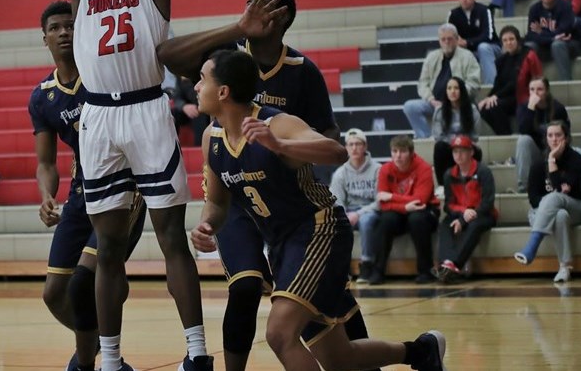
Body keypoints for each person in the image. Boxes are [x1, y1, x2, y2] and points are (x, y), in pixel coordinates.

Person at [30, 0, 211, 369]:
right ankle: (108, 360)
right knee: (108, 250)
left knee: (171, 239)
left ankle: (196, 353)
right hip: (99, 120)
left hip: (148, 110)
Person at [190, 50, 448, 371]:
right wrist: (206, 226)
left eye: (202, 79)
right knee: (338, 358)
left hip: (319, 230)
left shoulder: (277, 124)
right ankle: (420, 352)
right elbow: (216, 202)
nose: (197, 87)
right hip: (284, 245)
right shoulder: (211, 138)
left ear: (223, 91)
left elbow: (336, 151)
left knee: (280, 334)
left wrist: (280, 146)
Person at [156, 0, 353, 371]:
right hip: (239, 202)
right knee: (246, 287)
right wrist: (237, 27)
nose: (249, 6)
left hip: (289, 203)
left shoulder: (300, 75)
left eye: (258, 3)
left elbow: (332, 143)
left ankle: (413, 351)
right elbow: (167, 56)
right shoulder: (224, 60)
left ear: (280, 17)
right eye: (246, 0)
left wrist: (284, 148)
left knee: (335, 343)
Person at [30, 1, 147, 371]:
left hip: (126, 186)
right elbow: (46, 163)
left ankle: (91, 362)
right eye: (56, 27)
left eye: (71, 26)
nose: (64, 32)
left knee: (86, 280)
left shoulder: (103, 75)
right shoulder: (42, 96)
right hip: (82, 193)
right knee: (54, 294)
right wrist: (47, 196)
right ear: (44, 37)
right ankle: (97, 342)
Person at [514, 121, 581, 282]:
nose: (554, 139)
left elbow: (560, 191)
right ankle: (565, 267)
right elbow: (533, 200)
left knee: (554, 197)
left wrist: (552, 160)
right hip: (542, 212)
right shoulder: (538, 165)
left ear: (566, 138)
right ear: (546, 139)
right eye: (550, 135)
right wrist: (553, 201)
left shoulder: (577, 160)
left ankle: (532, 245)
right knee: (559, 214)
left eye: (558, 135)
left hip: (575, 207)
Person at [366, 135, 440, 285]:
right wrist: (404, 206)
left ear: (411, 153)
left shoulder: (423, 168)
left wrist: (392, 196)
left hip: (425, 211)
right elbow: (383, 203)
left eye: (402, 151)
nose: (398, 155)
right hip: (400, 212)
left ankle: (425, 271)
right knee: (386, 220)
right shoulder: (386, 169)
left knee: (416, 219)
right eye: (394, 151)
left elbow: (421, 200)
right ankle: (377, 271)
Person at [434, 136, 497, 283]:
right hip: (462, 212)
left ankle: (455, 264)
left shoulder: (483, 172)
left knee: (474, 225)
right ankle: (446, 263)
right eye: (455, 152)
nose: (458, 155)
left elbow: (487, 203)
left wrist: (463, 219)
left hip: (484, 214)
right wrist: (462, 213)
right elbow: (448, 205)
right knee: (445, 224)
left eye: (462, 151)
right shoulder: (449, 174)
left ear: (471, 152)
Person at [403, 24, 481, 139]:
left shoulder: (467, 57)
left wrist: (455, 98)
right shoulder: (431, 57)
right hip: (435, 103)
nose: (446, 42)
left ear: (456, 39)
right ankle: (426, 137)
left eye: (449, 39)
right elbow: (423, 83)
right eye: (443, 39)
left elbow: (474, 83)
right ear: (439, 41)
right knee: (410, 107)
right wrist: (431, 99)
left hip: (458, 104)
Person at [329, 128, 382, 284]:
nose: (354, 148)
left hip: (371, 210)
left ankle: (366, 265)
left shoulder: (378, 169)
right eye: (350, 144)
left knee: (366, 221)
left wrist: (359, 214)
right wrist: (345, 215)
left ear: (365, 146)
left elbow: (380, 201)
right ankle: (343, 268)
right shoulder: (340, 173)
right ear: (345, 148)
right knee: (337, 223)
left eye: (358, 144)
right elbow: (336, 201)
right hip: (349, 211)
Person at [478, 26, 542, 135]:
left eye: (512, 39)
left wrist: (495, 96)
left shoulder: (528, 55)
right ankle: (503, 134)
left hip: (524, 96)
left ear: (518, 40)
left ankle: (506, 135)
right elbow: (498, 84)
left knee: (494, 106)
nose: (509, 43)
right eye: (505, 40)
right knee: (484, 107)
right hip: (509, 97)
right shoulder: (501, 60)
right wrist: (488, 98)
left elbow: (515, 82)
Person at [515, 77, 570, 192]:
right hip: (535, 151)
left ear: (547, 91)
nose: (535, 93)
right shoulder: (524, 107)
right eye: (532, 89)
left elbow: (565, 134)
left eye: (539, 89)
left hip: (555, 151)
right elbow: (524, 130)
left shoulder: (558, 108)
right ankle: (523, 187)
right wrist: (531, 108)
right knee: (523, 140)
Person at [524, 0, 581, 82]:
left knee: (557, 44)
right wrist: (552, 37)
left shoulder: (565, 6)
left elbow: (564, 33)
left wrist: (541, 32)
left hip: (569, 44)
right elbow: (531, 35)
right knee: (529, 46)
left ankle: (566, 82)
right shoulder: (534, 9)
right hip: (546, 46)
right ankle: (533, 83)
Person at [431, 76, 482, 183]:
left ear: (462, 90)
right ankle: (442, 184)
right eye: (449, 88)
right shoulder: (440, 111)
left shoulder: (472, 110)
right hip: (448, 148)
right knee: (439, 147)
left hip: (466, 146)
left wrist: (461, 143)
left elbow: (475, 136)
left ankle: (472, 183)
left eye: (456, 88)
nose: (452, 91)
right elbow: (438, 136)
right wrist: (455, 143)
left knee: (476, 151)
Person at [448, 0, 499, 85]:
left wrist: (467, 42)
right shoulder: (453, 14)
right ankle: (459, 88)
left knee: (483, 47)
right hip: (467, 51)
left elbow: (488, 36)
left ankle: (491, 87)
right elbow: (449, 36)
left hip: (491, 47)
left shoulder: (485, 10)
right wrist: (457, 43)